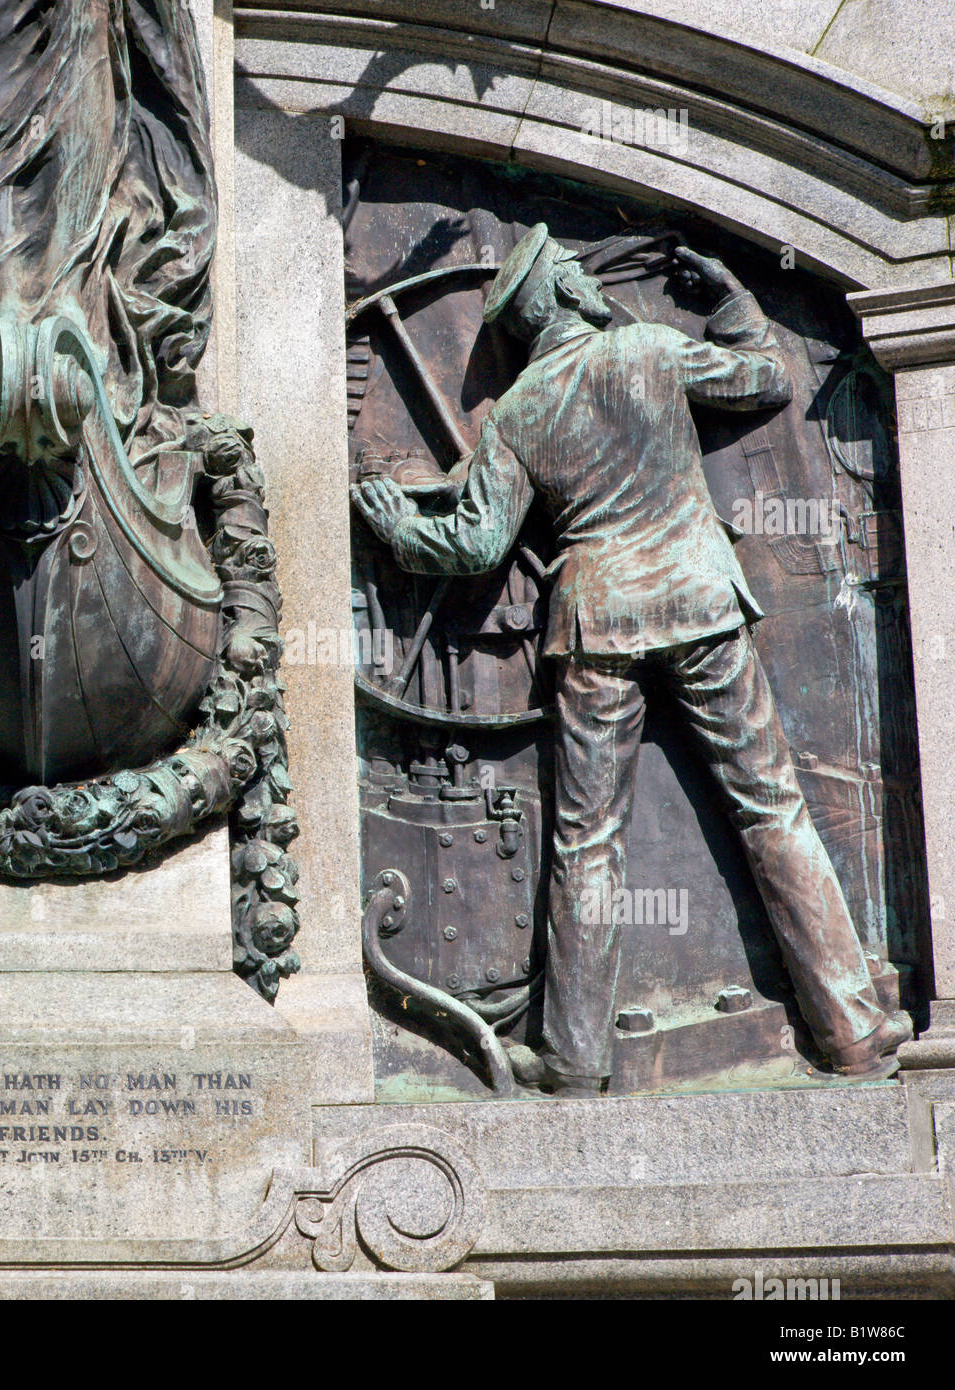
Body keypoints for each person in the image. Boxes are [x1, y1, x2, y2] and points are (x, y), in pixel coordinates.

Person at [352, 223, 911, 1096]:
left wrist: (395, 526)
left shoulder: (522, 411)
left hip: (598, 626)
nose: (585, 274)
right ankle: (852, 1028)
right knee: (771, 808)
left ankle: (575, 1058)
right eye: (574, 269)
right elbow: (763, 377)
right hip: (699, 604)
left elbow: (475, 543)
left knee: (587, 844)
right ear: (565, 297)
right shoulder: (648, 349)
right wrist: (732, 301)